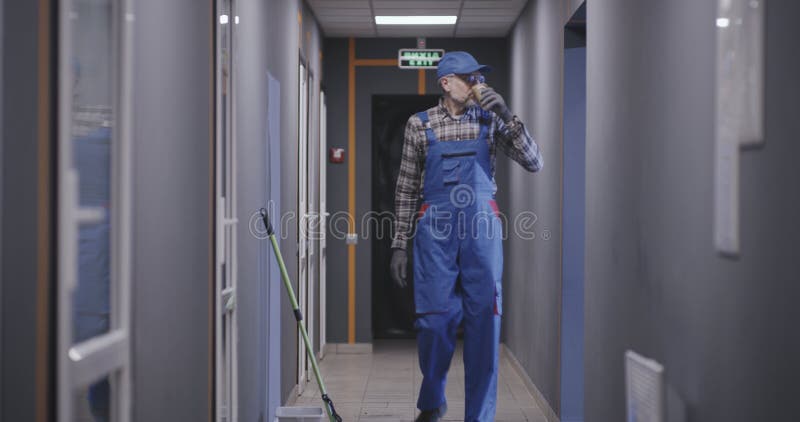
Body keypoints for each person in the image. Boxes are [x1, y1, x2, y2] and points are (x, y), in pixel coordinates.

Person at [390, 51, 543, 421]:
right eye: (470, 78)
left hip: (481, 228)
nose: (478, 84)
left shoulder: (490, 120)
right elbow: (406, 188)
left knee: (485, 322)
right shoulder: (419, 125)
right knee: (433, 321)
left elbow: (534, 161)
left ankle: (479, 417)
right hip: (435, 229)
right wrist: (398, 244)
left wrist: (507, 114)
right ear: (446, 83)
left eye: (480, 77)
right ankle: (432, 400)